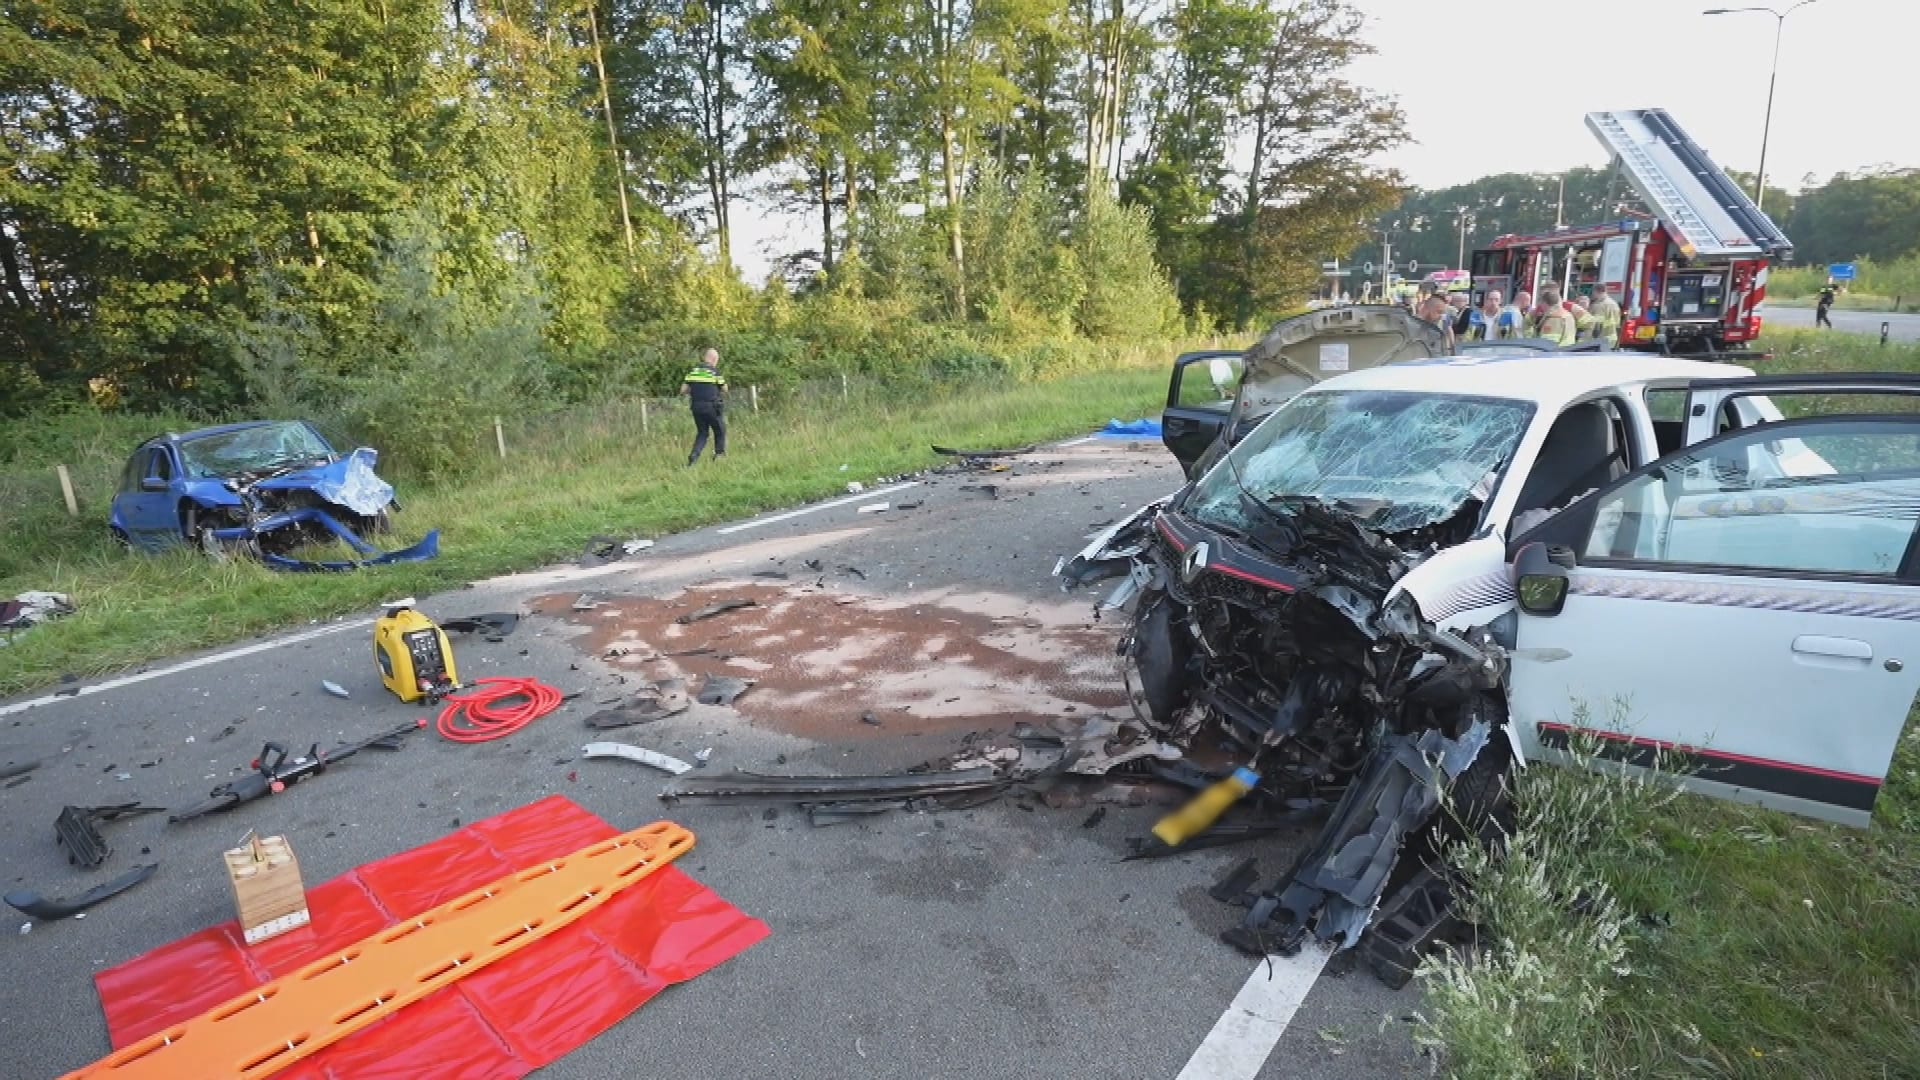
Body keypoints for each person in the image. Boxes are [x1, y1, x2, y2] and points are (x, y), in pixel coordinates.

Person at [682, 348, 727, 465]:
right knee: (720, 429)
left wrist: (696, 389)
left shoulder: (693, 372)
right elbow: (724, 389)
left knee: (702, 433)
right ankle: (719, 455)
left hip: (696, 407)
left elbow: (683, 390)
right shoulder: (715, 372)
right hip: (712, 406)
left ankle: (694, 456)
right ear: (714, 359)